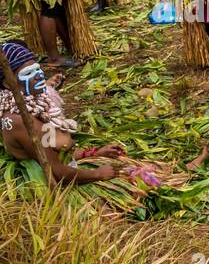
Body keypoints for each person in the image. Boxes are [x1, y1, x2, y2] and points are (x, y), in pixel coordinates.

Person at [0, 42, 123, 183]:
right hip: (55, 183)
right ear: (8, 83)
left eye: (37, 69)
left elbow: (56, 154)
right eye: (28, 73)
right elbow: (55, 170)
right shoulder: (20, 120)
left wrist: (94, 152)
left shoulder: (35, 102)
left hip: (68, 170)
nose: (39, 75)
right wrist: (97, 174)